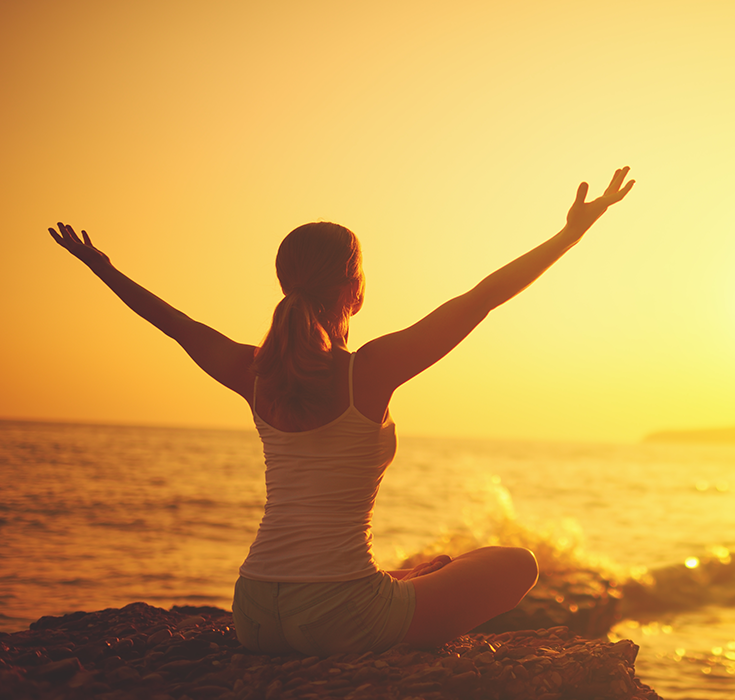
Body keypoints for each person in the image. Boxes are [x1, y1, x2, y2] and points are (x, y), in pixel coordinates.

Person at [48, 167, 635, 654]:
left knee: (427, 567)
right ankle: (388, 590)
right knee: (517, 563)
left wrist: (104, 270)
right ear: (355, 290)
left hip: (255, 609)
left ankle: (395, 581)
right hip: (339, 617)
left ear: (285, 283)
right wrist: (569, 235)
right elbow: (482, 298)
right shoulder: (369, 371)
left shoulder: (255, 371)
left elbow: (177, 325)